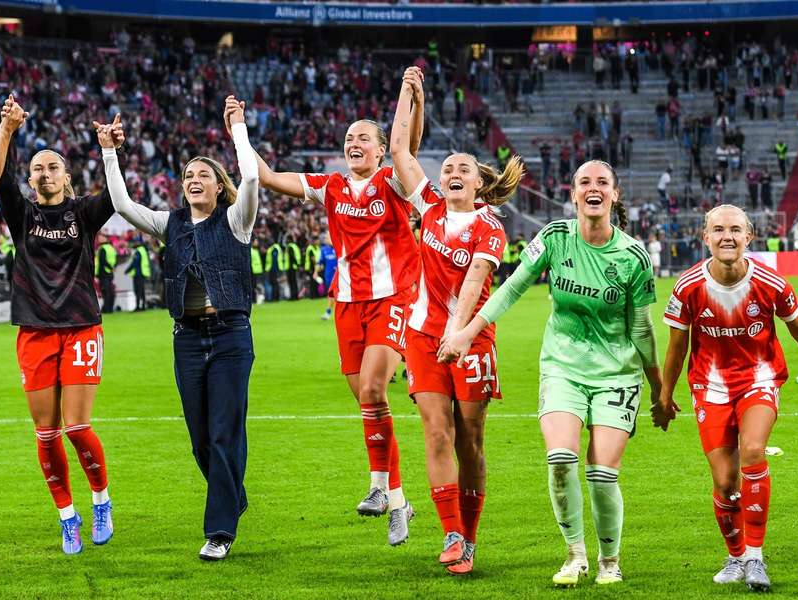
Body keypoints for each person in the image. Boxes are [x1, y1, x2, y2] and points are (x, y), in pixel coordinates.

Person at [441, 160, 661, 586]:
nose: (592, 188)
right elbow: (512, 286)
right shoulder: (554, 239)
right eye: (584, 182)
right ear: (573, 194)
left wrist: (658, 391)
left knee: (601, 474)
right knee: (561, 460)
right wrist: (468, 331)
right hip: (562, 367)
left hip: (617, 374)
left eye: (602, 183)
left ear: (614, 196)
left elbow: (641, 329)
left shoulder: (633, 256)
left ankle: (609, 562)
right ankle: (575, 555)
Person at [251, 69, 425, 545]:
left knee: (373, 387)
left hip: (393, 298)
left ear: (377, 148)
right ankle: (396, 499)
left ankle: (379, 489)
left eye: (364, 137)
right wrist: (240, 133)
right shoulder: (329, 185)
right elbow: (266, 177)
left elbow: (405, 146)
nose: (355, 142)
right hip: (346, 303)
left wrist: (410, 94)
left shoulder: (392, 180)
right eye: (350, 137)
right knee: (369, 401)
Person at [653, 204, 798, 592]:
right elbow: (677, 347)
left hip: (759, 378)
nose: (727, 236)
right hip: (709, 386)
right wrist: (664, 396)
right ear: (705, 237)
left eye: (735, 230)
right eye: (719, 230)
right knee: (726, 482)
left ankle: (756, 559)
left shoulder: (772, 283)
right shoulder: (688, 286)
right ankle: (736, 554)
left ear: (749, 237)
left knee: (754, 450)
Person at [98, 96, 258, 560]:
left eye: (201, 175)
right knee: (200, 439)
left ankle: (219, 531)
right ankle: (233, 497)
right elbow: (123, 205)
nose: (192, 181)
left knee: (225, 431)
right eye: (187, 176)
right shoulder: (171, 224)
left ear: (217, 184)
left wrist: (238, 129)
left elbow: (250, 177)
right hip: (187, 339)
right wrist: (110, 151)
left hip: (229, 336)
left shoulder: (236, 219)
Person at [390, 68, 523, 574]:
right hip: (423, 337)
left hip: (472, 341)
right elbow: (399, 148)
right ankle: (450, 533)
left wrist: (458, 333)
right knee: (436, 432)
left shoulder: (488, 227)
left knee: (470, 441)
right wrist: (410, 95)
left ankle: (469, 536)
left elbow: (474, 282)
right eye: (447, 166)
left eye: (462, 167)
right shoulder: (429, 207)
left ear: (479, 183)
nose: (451, 171)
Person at [0, 95, 115, 555]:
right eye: (37, 167)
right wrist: (7, 132)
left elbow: (116, 197)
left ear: (66, 176)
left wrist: (110, 150)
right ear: (31, 178)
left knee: (77, 428)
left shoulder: (83, 214)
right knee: (46, 433)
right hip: (34, 332)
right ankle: (67, 516)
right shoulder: (22, 215)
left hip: (80, 328)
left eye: (53, 166)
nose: (44, 172)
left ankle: (101, 501)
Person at [125, 235, 150, 311]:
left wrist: (128, 270)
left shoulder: (138, 251)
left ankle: (138, 306)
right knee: (142, 291)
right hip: (143, 273)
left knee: (138, 290)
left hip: (138, 273)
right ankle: (143, 306)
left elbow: (135, 262)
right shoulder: (143, 250)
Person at [95, 235, 116, 313]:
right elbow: (115, 259)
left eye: (100, 238)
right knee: (110, 291)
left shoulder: (102, 248)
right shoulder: (111, 248)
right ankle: (110, 308)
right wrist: (112, 268)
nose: (99, 239)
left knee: (105, 291)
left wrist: (109, 268)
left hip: (103, 272)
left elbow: (102, 261)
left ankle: (107, 309)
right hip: (110, 273)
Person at [319, 232, 338, 320]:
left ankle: (329, 312)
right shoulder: (324, 250)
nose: (326, 239)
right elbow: (320, 263)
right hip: (329, 276)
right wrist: (315, 272)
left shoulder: (339, 247)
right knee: (331, 295)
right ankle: (330, 312)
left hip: (339, 276)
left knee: (336, 295)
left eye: (327, 237)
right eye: (326, 237)